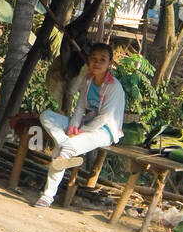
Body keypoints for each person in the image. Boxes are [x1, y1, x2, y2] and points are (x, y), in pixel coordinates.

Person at [34, 42, 125, 207]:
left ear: (110, 63)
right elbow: (80, 107)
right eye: (94, 59)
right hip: (86, 124)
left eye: (102, 60)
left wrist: (80, 132)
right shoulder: (88, 80)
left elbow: (104, 118)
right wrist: (72, 128)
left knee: (64, 148)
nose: (97, 63)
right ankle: (66, 149)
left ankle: (47, 196)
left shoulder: (114, 87)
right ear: (89, 60)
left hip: (104, 131)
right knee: (47, 116)